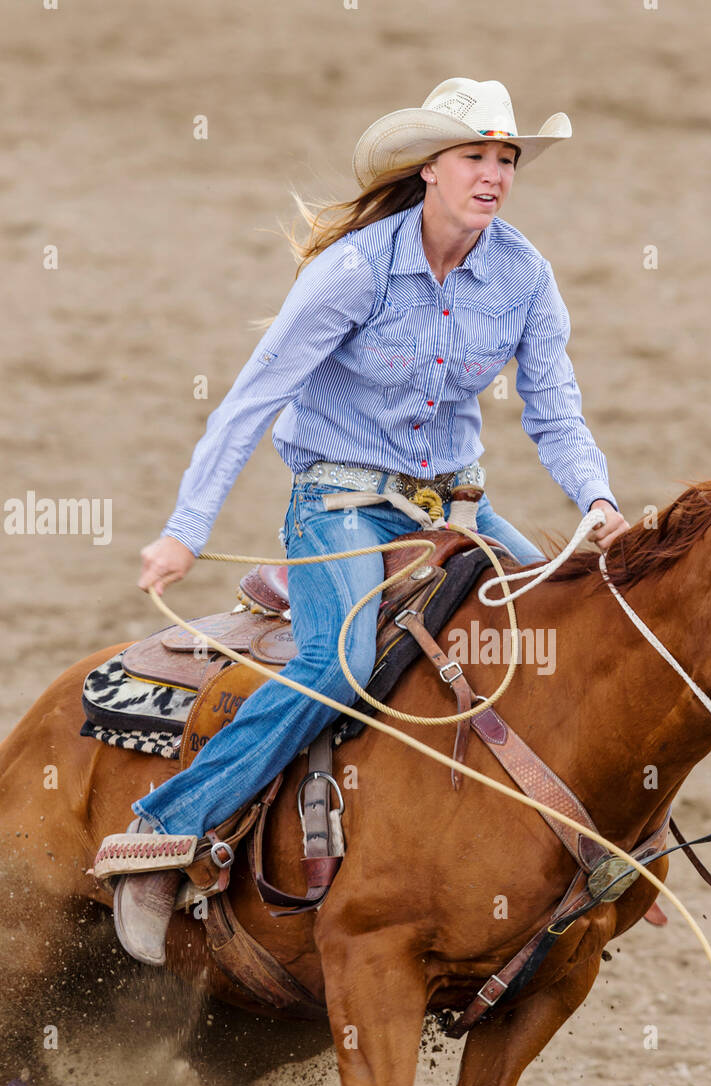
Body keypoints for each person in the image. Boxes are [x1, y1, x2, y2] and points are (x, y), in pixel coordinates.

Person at [100, 76, 630, 963]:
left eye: (505, 158)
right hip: (338, 501)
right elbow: (250, 400)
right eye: (475, 156)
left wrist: (598, 500)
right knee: (335, 660)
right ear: (429, 169)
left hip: (458, 501)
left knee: (576, 628)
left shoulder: (524, 275)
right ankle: (163, 832)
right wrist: (185, 528)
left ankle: (608, 847)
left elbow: (555, 411)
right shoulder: (353, 270)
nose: (493, 174)